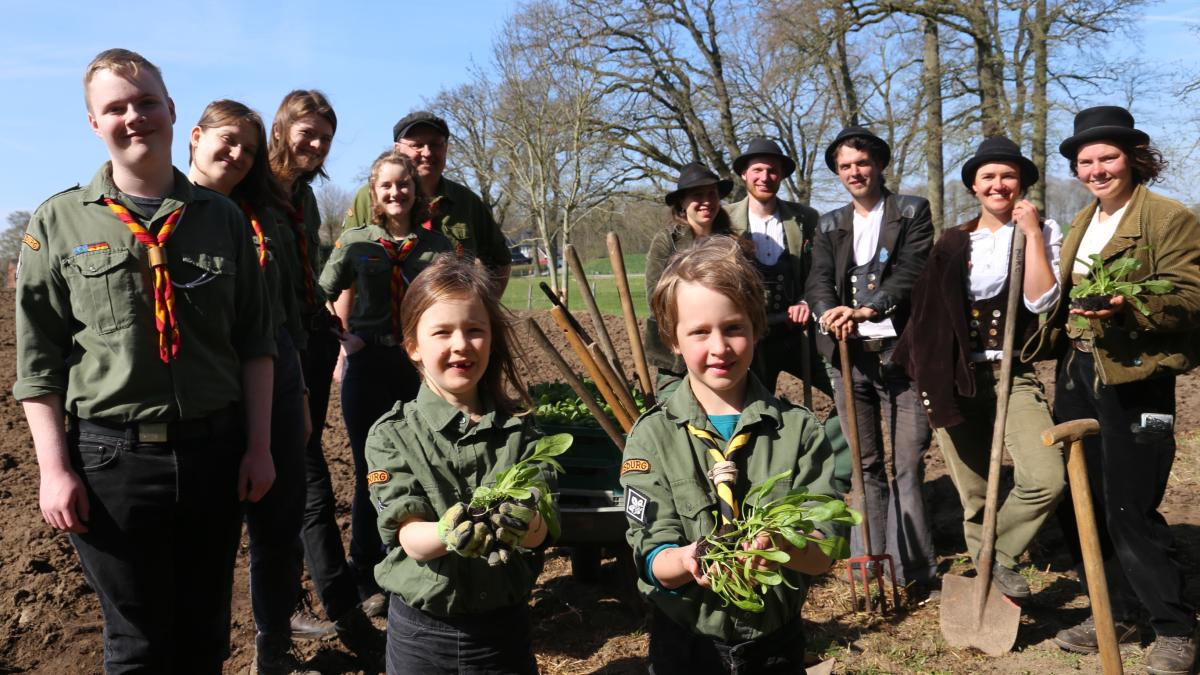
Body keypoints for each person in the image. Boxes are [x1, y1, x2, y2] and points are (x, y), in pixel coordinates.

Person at [14, 49, 275, 673]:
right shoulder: (59, 222)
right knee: (137, 643)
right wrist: (55, 470)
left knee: (206, 631)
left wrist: (259, 447)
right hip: (112, 462)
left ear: (172, 111)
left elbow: (256, 345)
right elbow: (37, 362)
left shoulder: (224, 220)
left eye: (146, 103)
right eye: (115, 108)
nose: (134, 117)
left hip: (215, 453)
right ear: (94, 123)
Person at [1027, 106, 1200, 674]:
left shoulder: (1168, 217)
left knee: (1130, 502)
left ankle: (1174, 626)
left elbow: (1190, 297)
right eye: (1086, 161)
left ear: (1132, 158)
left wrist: (1131, 306)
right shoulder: (1083, 221)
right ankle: (1119, 609)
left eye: (1107, 157)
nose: (1097, 169)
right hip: (1078, 371)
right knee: (1085, 499)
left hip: (1136, 379)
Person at [621, 236, 840, 674]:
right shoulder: (652, 438)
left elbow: (825, 548)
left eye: (733, 328)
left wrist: (780, 545)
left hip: (773, 642)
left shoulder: (799, 431)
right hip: (685, 643)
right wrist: (688, 558)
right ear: (674, 340)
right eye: (699, 332)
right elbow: (652, 557)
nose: (719, 347)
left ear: (757, 327)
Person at [893, 136, 1066, 600]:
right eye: (987, 176)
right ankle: (987, 584)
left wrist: (1030, 235)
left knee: (1046, 475)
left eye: (1008, 175)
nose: (998, 184)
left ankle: (999, 555)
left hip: (1014, 374)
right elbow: (925, 312)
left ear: (1022, 183)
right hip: (956, 377)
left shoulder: (1041, 231)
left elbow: (1041, 300)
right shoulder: (953, 240)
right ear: (973, 186)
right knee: (974, 492)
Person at [366, 255, 553, 674]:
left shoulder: (521, 431)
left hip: (502, 632)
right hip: (422, 635)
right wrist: (451, 529)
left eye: (474, 331)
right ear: (413, 344)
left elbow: (542, 529)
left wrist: (524, 523)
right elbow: (409, 535)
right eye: (442, 332)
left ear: (491, 338)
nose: (461, 345)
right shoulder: (391, 435)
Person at [187, 99, 322, 673]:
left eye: (247, 146)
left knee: (279, 516)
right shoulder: (171, 211)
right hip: (208, 379)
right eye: (226, 142)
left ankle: (274, 643)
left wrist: (302, 387)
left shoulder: (265, 209)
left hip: (279, 368)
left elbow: (289, 297)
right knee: (208, 533)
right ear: (194, 137)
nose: (237, 155)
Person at [806, 125, 938, 592]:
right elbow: (818, 280)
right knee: (863, 465)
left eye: (862, 162)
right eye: (845, 166)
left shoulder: (911, 211)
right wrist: (828, 316)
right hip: (849, 359)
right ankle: (869, 563)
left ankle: (914, 570)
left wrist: (868, 307)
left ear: (879, 164)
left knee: (906, 462)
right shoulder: (828, 223)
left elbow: (912, 271)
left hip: (902, 357)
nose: (855, 172)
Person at [319, 149, 453, 612]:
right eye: (387, 186)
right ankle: (365, 571)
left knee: (425, 463)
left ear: (416, 192)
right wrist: (342, 338)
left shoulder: (437, 248)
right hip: (369, 364)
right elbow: (318, 293)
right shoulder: (356, 243)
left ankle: (418, 560)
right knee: (369, 470)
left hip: (419, 369)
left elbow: (456, 301)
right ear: (375, 194)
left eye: (404, 184)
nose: (396, 192)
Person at [342, 111, 512, 291]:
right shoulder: (369, 197)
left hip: (448, 316)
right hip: (384, 316)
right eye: (417, 145)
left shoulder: (467, 202)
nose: (427, 153)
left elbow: (500, 260)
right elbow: (345, 266)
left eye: (435, 144)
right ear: (398, 149)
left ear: (445, 148)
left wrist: (485, 309)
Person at [727, 137, 830, 397]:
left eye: (772, 170)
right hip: (750, 339)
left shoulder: (806, 218)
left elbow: (820, 269)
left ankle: (819, 439)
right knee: (753, 408)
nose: (765, 177)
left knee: (847, 391)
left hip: (799, 335)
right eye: (757, 170)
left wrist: (806, 301)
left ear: (782, 175)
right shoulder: (725, 220)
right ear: (744, 174)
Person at [643, 162, 734, 398]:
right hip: (677, 357)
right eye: (697, 195)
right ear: (682, 203)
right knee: (677, 417)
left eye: (712, 194)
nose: (706, 201)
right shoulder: (666, 241)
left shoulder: (732, 243)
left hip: (722, 354)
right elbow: (656, 297)